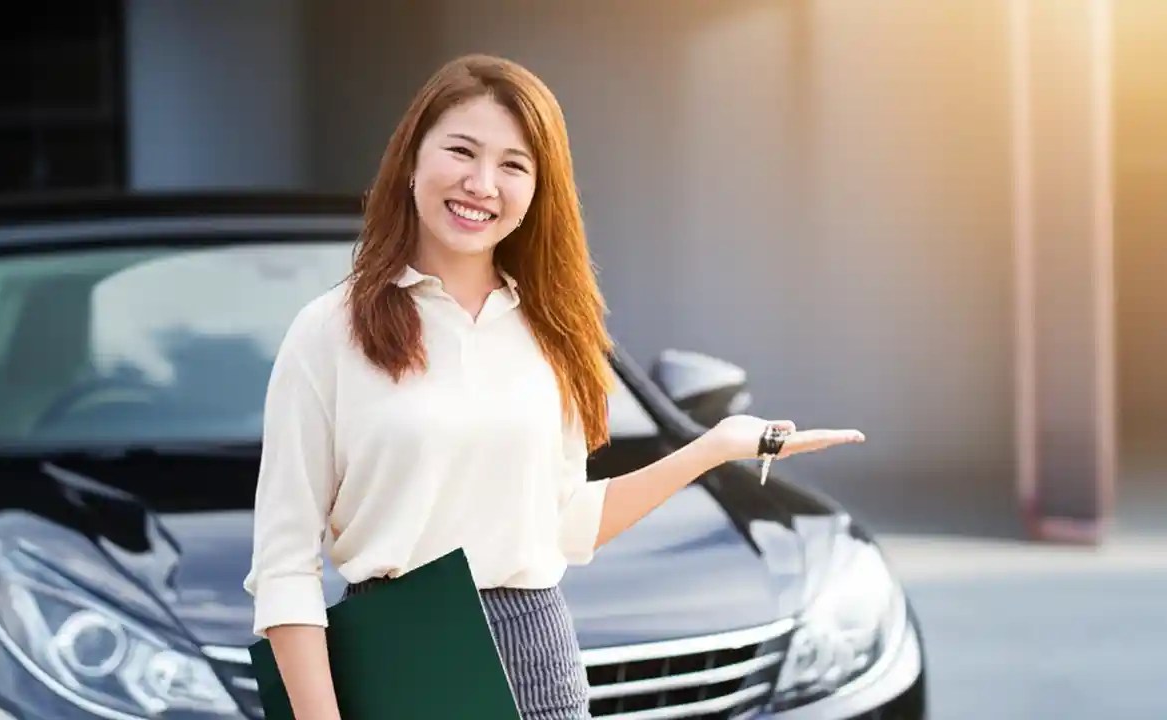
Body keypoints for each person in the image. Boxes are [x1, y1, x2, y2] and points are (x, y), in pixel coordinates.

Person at [243, 53, 865, 720]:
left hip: (539, 659)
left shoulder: (554, 331)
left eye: (514, 165)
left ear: (540, 189)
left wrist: (711, 448)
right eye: (462, 151)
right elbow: (284, 568)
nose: (482, 183)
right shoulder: (328, 332)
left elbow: (566, 523)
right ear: (412, 161)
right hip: (401, 659)